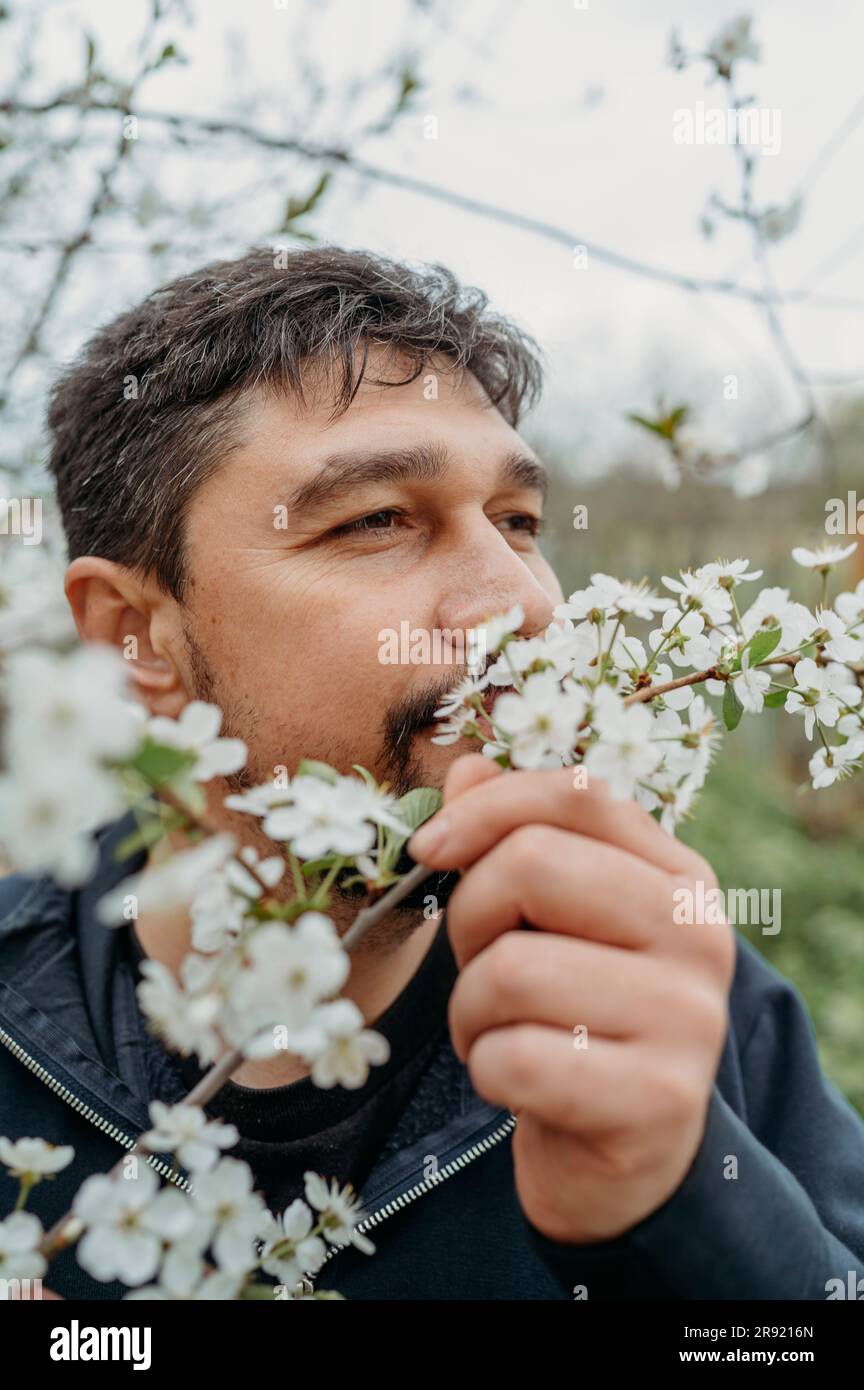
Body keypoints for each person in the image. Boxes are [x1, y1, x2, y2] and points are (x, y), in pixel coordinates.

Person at [1, 247, 863, 1300]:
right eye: (376, 520)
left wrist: (688, 1217)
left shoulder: (680, 1005)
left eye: (520, 524)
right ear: (137, 634)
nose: (526, 604)